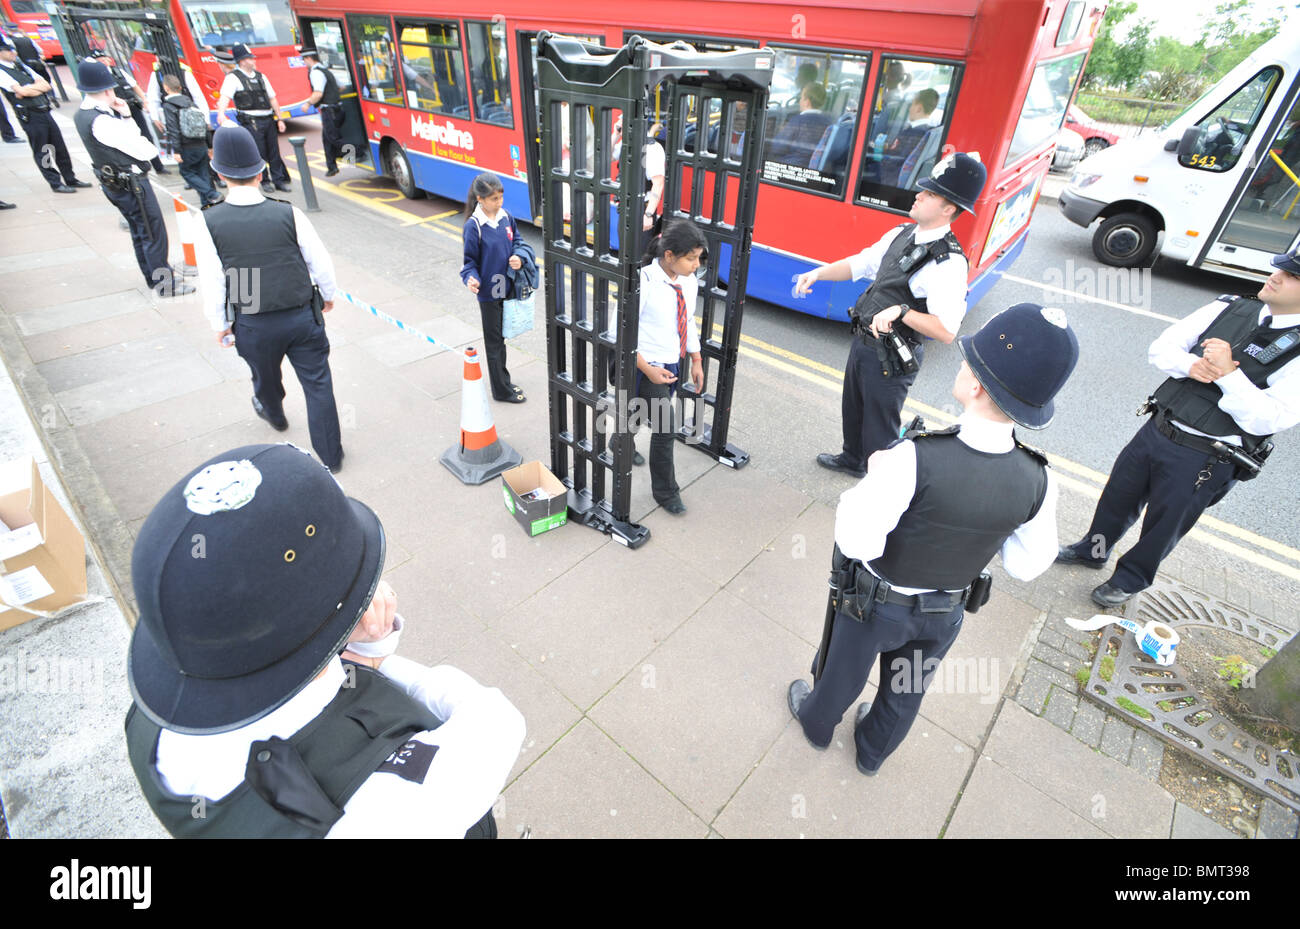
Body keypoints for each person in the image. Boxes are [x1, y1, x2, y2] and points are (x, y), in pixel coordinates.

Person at [123, 442, 526, 838]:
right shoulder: (390, 808)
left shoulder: (150, 726)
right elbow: (496, 720)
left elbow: (305, 682)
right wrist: (358, 645)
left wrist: (344, 641)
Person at [788, 302, 1078, 776]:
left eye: (968, 361)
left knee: (843, 674)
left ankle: (817, 726)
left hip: (875, 604)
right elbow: (1027, 565)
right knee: (906, 690)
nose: (961, 366)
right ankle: (872, 752)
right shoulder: (1040, 478)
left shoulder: (914, 457)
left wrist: (874, 476)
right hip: (945, 611)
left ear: (978, 385)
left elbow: (858, 540)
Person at [1056, 249, 1300, 607]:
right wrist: (1190, 366)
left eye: (1293, 277)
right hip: (1159, 426)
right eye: (1281, 268)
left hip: (1206, 456)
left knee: (1164, 525)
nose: (1276, 276)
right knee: (1118, 497)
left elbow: (1271, 418)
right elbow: (1162, 348)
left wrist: (1230, 376)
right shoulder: (1230, 307)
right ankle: (1093, 550)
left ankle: (1129, 580)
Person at [797, 151, 987, 478]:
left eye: (929, 194)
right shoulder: (902, 232)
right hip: (864, 342)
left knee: (880, 430)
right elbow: (861, 263)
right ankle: (852, 460)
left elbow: (945, 330)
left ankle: (883, 490)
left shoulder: (948, 263)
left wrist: (902, 311)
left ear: (948, 209)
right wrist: (818, 273)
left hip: (892, 358)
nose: (918, 195)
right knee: (853, 411)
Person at [195, 125, 344, 471]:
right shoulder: (288, 213)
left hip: (253, 320)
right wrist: (329, 295)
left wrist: (219, 323)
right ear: (261, 171)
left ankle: (275, 415)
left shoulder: (208, 221)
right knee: (318, 384)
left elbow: (214, 280)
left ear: (218, 173)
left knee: (264, 375)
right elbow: (319, 261)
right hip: (301, 315)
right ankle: (331, 457)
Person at [73, 60, 192, 297]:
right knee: (152, 232)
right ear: (108, 90)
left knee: (140, 231)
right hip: (132, 184)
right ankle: (164, 283)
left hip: (117, 183)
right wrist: (127, 116)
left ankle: (153, 277)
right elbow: (146, 150)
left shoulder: (83, 114)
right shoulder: (103, 120)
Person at [632, 219, 707, 516]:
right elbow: (619, 332)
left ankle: (617, 440)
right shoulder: (644, 281)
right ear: (669, 256)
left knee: (634, 410)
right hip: (643, 364)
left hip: (672, 362)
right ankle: (666, 492)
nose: (696, 264)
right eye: (691, 258)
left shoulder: (689, 281)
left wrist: (696, 360)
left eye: (698, 257)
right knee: (666, 427)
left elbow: (688, 320)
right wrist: (648, 369)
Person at [461, 171, 526, 404]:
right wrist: (471, 279)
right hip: (489, 294)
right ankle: (502, 391)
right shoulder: (474, 226)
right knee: (494, 343)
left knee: (502, 338)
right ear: (480, 199)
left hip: (507, 288)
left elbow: (517, 240)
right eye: (494, 199)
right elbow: (469, 263)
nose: (499, 203)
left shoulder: (506, 217)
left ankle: (504, 381)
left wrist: (518, 255)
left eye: (500, 198)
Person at [0, 36, 89, 193]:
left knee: (59, 146)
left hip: (43, 109)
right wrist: (30, 88)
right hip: (30, 115)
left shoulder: (20, 66)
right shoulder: (2, 71)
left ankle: (70, 177)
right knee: (43, 150)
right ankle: (55, 182)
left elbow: (46, 85)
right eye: (8, 50)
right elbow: (20, 92)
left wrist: (29, 89)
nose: (13, 52)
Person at [216, 43, 290, 194]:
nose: (253, 60)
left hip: (268, 118)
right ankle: (265, 181)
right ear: (242, 61)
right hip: (251, 121)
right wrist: (220, 114)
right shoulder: (233, 78)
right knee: (260, 153)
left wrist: (280, 118)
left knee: (274, 152)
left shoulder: (261, 76)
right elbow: (225, 97)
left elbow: (273, 98)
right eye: (250, 58)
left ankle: (279, 180)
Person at [86, 49, 168, 174]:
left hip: (132, 107)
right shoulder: (98, 78)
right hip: (116, 111)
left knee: (146, 135)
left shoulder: (119, 71)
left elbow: (134, 85)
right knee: (127, 138)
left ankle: (158, 166)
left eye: (104, 59)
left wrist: (145, 100)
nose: (104, 62)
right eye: (100, 61)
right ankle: (138, 167)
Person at [160, 73, 219, 205]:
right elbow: (204, 124)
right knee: (203, 174)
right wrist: (209, 145)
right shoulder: (191, 103)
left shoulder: (169, 106)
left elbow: (173, 129)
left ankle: (212, 194)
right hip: (201, 144)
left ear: (166, 88)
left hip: (186, 146)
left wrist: (176, 150)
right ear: (180, 87)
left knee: (187, 173)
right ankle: (208, 204)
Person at [301, 45, 343, 177]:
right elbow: (341, 87)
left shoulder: (316, 72)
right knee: (327, 139)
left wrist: (307, 104)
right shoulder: (326, 70)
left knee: (333, 138)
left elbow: (318, 93)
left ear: (308, 58)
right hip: (335, 108)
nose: (304, 63)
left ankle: (357, 152)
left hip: (329, 110)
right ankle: (332, 167)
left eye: (304, 60)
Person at [767, 83, 832, 167]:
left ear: (807, 102)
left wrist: (782, 131)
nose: (799, 101)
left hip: (792, 166)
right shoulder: (829, 122)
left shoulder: (797, 121)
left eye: (801, 98)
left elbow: (777, 148)